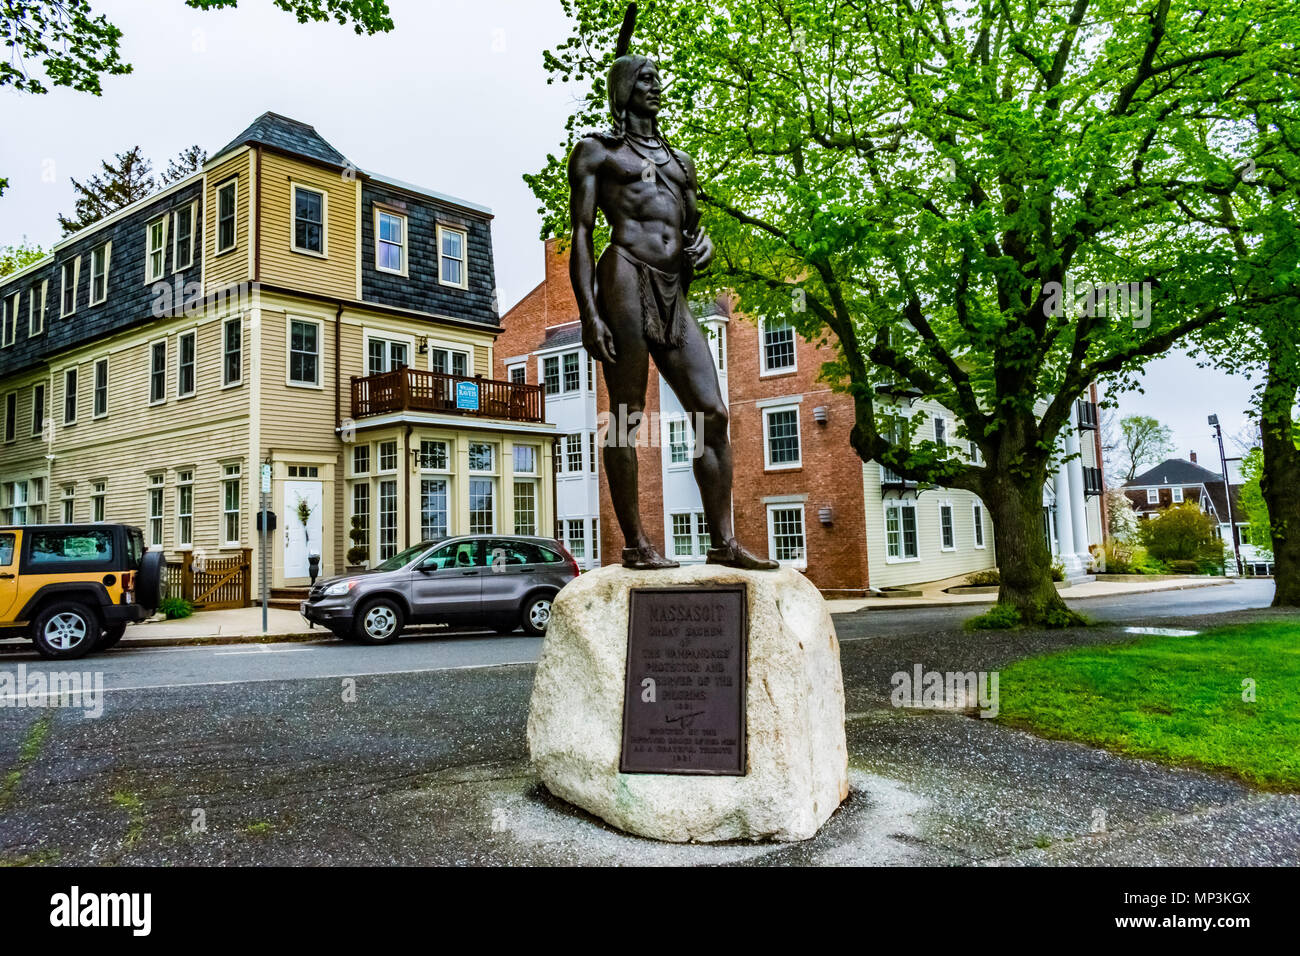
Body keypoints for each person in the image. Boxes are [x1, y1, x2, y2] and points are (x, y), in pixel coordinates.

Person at [567, 35, 777, 571]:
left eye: (658, 78)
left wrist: (703, 247)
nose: (655, 86)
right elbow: (584, 234)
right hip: (623, 276)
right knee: (626, 417)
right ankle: (637, 544)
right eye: (644, 78)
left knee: (714, 412)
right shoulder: (598, 152)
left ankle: (723, 541)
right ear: (622, 89)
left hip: (673, 289)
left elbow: (691, 230)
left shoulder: (680, 161)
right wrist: (590, 314)